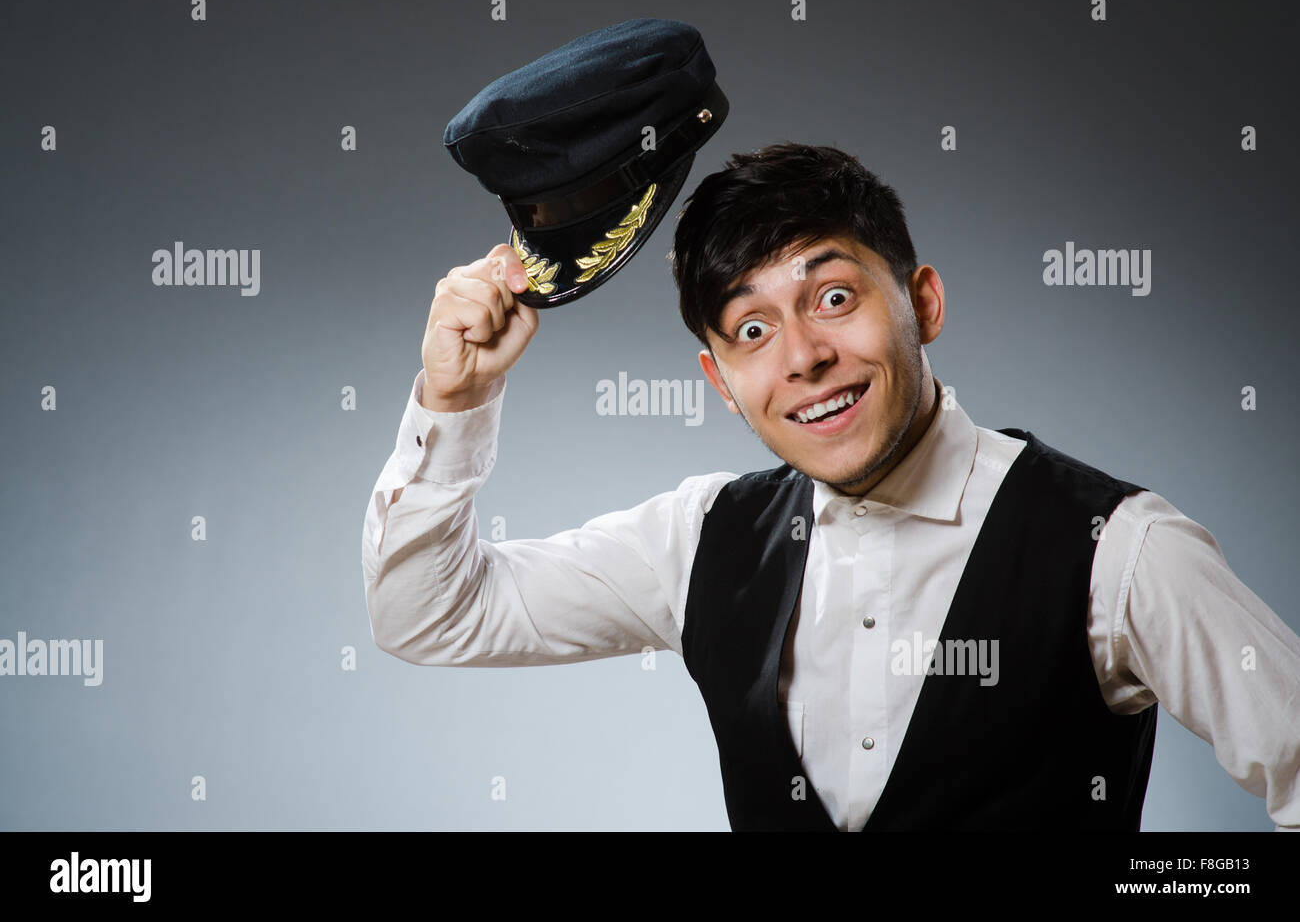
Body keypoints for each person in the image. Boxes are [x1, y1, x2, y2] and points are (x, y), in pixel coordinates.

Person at [361, 142, 1300, 831]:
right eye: (754, 330)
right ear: (721, 381)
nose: (805, 356)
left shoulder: (1120, 550)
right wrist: (458, 394)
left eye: (834, 298)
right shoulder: (699, 540)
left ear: (922, 303)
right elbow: (426, 613)